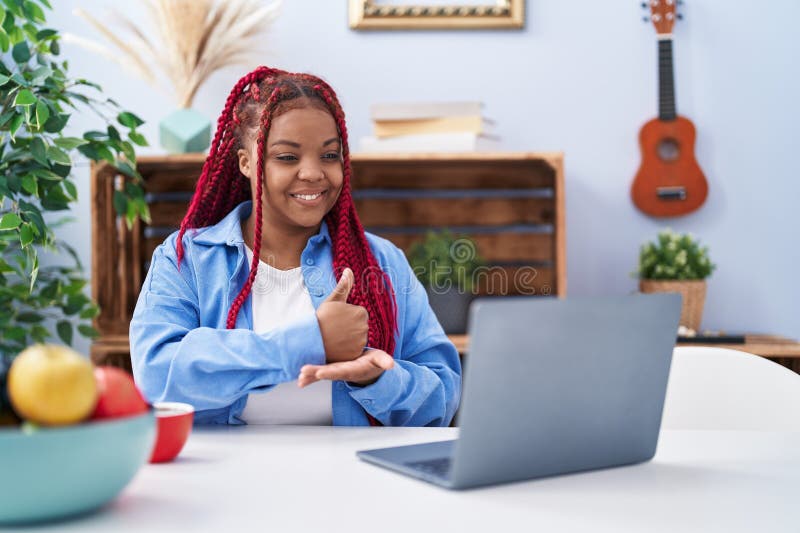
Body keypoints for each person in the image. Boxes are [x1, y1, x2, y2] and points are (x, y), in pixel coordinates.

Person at [129, 66, 461, 426]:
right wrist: (310, 342)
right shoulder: (187, 259)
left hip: (350, 464)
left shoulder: (380, 262)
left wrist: (376, 379)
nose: (313, 173)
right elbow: (156, 377)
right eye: (287, 157)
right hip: (222, 464)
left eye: (329, 155)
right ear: (246, 163)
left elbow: (442, 399)